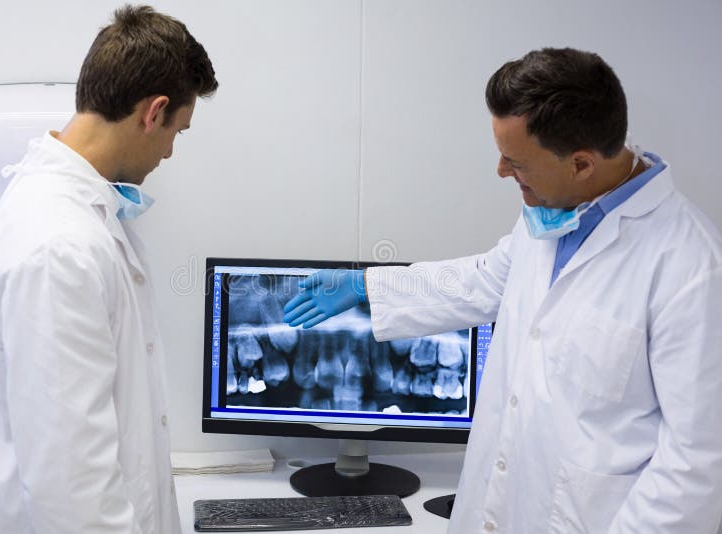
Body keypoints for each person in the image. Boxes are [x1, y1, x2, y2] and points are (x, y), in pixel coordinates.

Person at [284, 48, 722, 533]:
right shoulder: (558, 210)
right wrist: (365, 286)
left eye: (516, 163)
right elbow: (487, 278)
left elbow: (699, 464)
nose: (501, 172)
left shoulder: (691, 268)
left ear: (580, 164)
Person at [0, 5, 217, 533]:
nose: (170, 152)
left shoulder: (76, 217)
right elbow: (72, 495)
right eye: (179, 131)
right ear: (154, 112)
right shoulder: (58, 247)